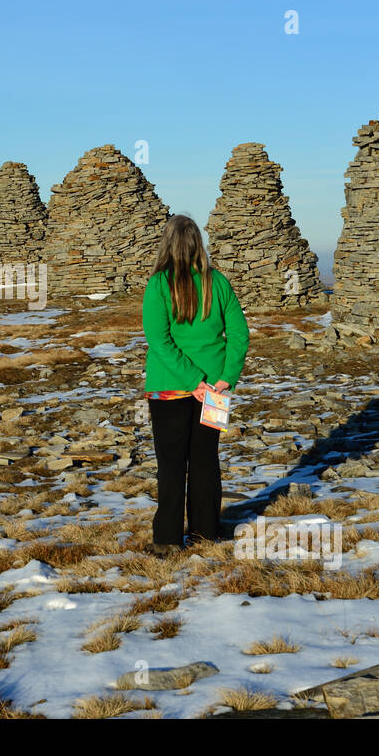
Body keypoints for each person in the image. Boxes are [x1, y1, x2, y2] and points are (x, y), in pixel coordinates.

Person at [141, 214, 249, 554]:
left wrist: (192, 382)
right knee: (206, 460)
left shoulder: (158, 285)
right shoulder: (218, 283)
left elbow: (158, 341)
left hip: (168, 388)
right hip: (216, 391)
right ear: (197, 244)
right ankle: (206, 532)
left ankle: (168, 540)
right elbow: (240, 335)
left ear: (167, 244)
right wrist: (223, 379)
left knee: (171, 464)